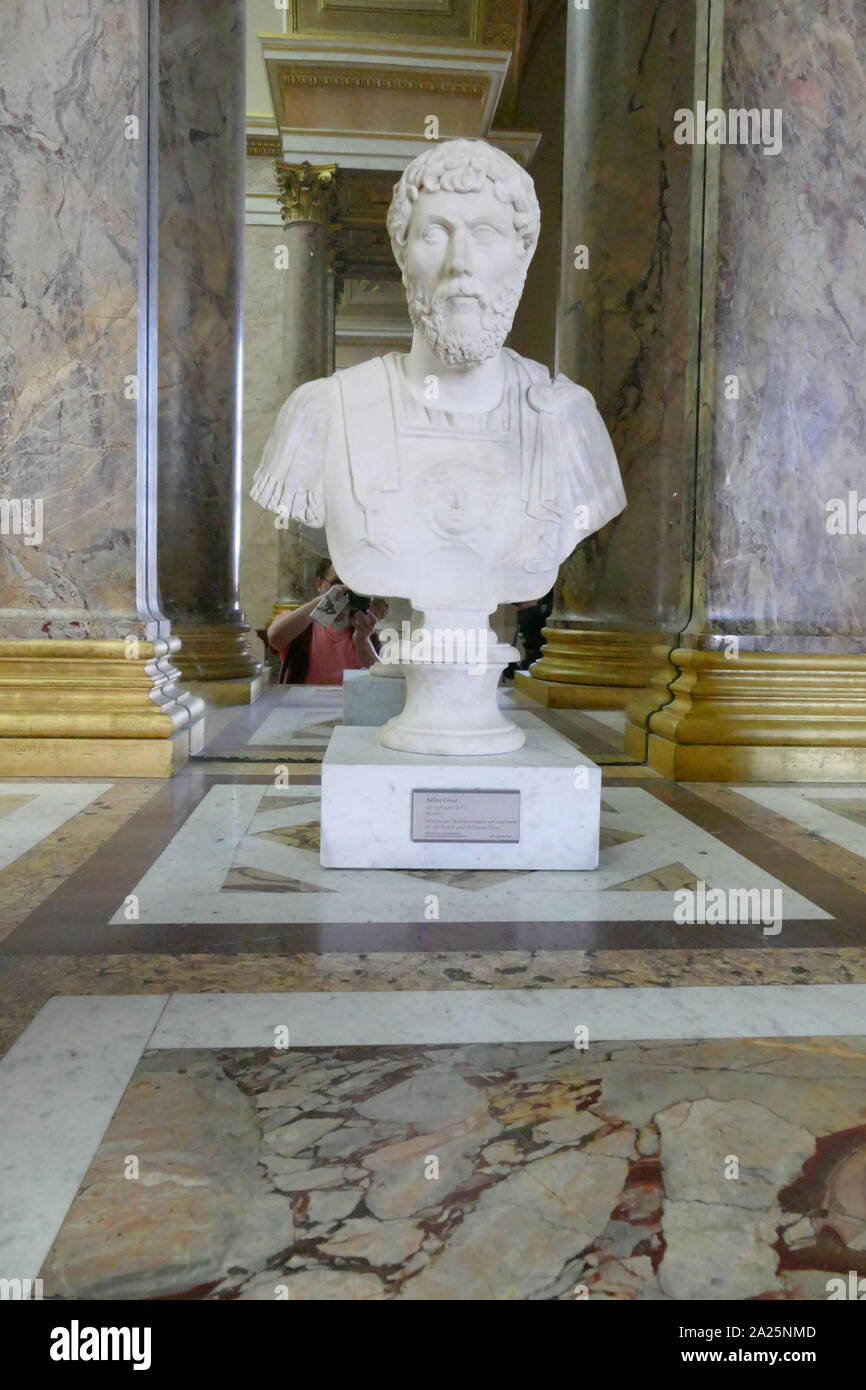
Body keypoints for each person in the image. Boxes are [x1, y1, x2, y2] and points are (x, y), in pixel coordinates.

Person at [266, 560, 380, 685]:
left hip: (350, 702)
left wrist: (363, 641)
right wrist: (322, 602)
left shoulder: (364, 630)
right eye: (337, 583)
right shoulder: (300, 623)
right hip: (302, 702)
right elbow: (275, 637)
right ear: (319, 584)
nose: (344, 591)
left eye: (350, 585)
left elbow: (381, 681)